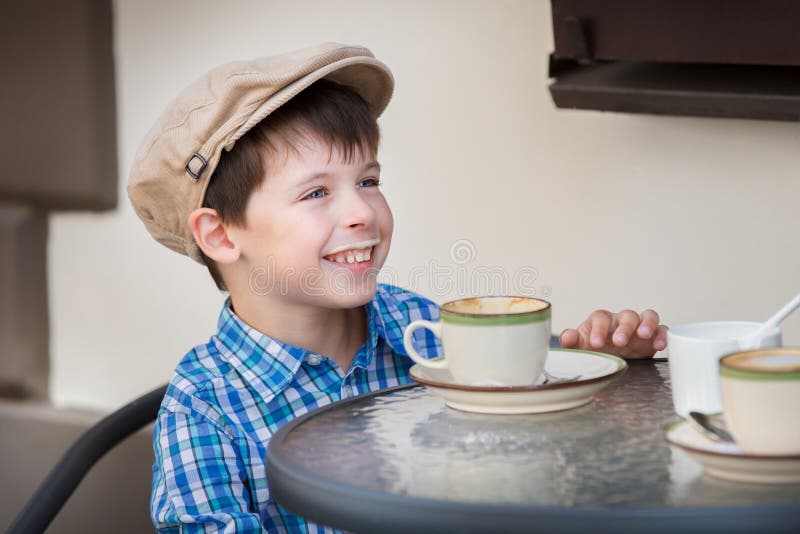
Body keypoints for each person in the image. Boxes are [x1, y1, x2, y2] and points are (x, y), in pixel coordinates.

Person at [128, 43, 668, 532]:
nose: (363, 212)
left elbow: (547, 462)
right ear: (220, 233)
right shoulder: (204, 408)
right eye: (316, 192)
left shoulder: (427, 329)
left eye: (368, 181)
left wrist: (608, 373)